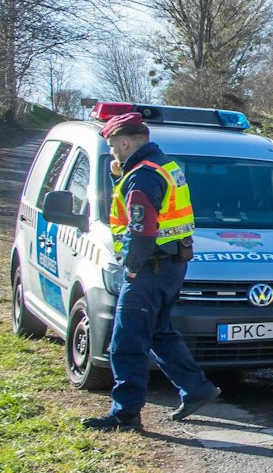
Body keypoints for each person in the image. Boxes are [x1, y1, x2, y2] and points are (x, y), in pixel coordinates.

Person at [82, 112, 219, 431]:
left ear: (126, 142)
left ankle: (125, 414)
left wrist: (131, 268)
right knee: (159, 332)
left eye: (114, 148)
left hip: (148, 268)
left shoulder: (142, 176)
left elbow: (141, 229)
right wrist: (121, 176)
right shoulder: (164, 166)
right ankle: (197, 389)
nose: (113, 154)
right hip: (171, 265)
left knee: (126, 341)